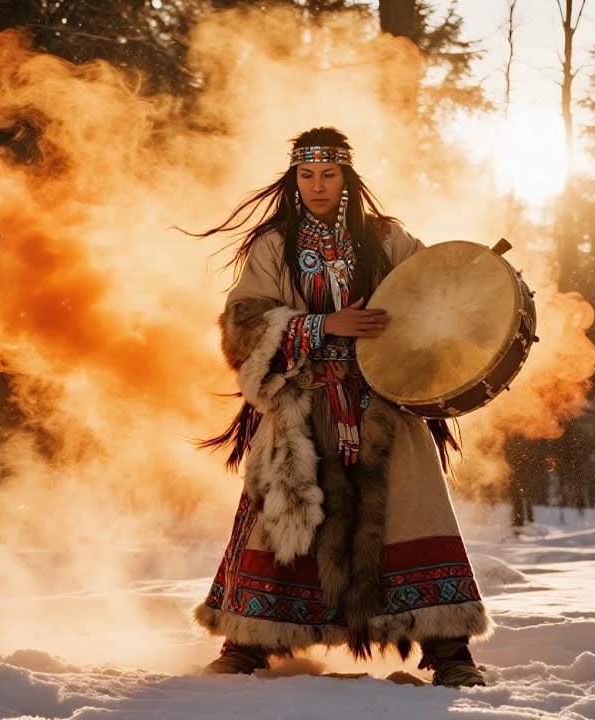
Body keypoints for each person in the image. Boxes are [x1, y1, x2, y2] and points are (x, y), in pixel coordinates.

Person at [192, 127, 491, 687]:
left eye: (328, 174)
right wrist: (322, 324)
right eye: (307, 175)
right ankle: (248, 645)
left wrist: (474, 291)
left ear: (347, 177)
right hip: (301, 408)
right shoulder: (274, 247)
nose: (317, 186)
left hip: (383, 407)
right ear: (294, 178)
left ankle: (449, 652)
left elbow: (431, 295)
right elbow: (241, 328)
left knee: (410, 512)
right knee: (278, 523)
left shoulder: (387, 240)